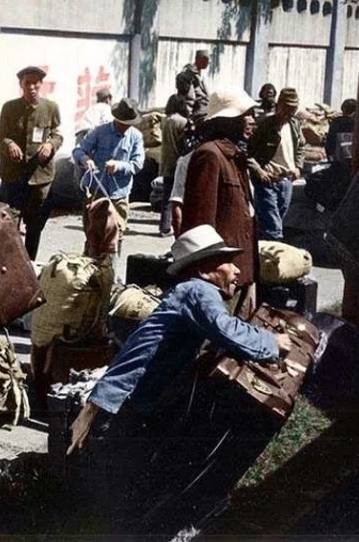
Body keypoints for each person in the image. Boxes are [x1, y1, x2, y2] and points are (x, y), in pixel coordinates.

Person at [66, 225, 290, 532]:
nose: (237, 270)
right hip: (123, 404)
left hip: (123, 401)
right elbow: (228, 331)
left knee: (125, 488)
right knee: (121, 496)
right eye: (228, 262)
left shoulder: (188, 292)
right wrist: (272, 342)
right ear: (204, 269)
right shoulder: (198, 291)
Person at [181, 87, 260, 317]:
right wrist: (214, 273)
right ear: (228, 121)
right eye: (245, 115)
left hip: (241, 272)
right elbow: (200, 226)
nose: (251, 121)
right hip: (221, 278)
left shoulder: (235, 157)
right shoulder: (210, 155)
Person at [0, 66, 63, 260]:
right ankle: (11, 265)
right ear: (21, 85)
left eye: (35, 83)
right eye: (27, 83)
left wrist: (50, 144)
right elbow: (0, 137)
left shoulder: (50, 108)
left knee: (35, 226)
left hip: (39, 179)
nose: (31, 87)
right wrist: (9, 144)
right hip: (13, 178)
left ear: (41, 84)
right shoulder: (9, 108)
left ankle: (30, 263)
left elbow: (57, 134)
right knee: (8, 225)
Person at [72, 98, 145, 272]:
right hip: (96, 193)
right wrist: (85, 159)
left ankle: (110, 272)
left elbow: (137, 164)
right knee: (92, 233)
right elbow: (78, 150)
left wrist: (119, 166)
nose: (125, 127)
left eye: (128, 124)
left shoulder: (136, 136)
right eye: (122, 123)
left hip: (119, 194)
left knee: (116, 235)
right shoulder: (99, 132)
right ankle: (89, 272)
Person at [247, 87, 306, 241]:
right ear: (279, 105)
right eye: (286, 109)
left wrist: (298, 166)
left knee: (272, 224)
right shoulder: (264, 125)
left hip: (286, 181)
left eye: (292, 110)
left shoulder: (294, 125)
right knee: (274, 229)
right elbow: (247, 151)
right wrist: (259, 171)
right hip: (268, 181)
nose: (288, 114)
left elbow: (301, 146)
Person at [158, 94, 191, 236]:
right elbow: (184, 144)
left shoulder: (164, 121)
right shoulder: (183, 122)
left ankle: (164, 226)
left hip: (166, 162)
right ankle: (175, 225)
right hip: (178, 162)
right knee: (178, 196)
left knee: (166, 197)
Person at [175, 49, 210, 117]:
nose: (208, 63)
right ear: (198, 59)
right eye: (205, 60)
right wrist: (188, 114)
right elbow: (189, 97)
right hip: (196, 111)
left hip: (203, 108)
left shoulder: (198, 74)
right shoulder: (189, 73)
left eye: (208, 60)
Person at [325, 97, 357, 163]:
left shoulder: (336, 122)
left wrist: (330, 156)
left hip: (338, 160)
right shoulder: (357, 123)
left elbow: (329, 141)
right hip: (353, 160)